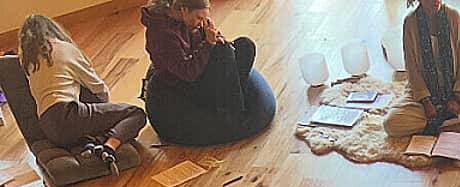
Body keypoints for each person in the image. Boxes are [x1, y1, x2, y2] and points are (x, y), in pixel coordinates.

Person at [18, 14, 147, 174]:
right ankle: (109, 147)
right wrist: (107, 111)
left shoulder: (28, 61)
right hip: (68, 114)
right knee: (136, 113)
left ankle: (94, 142)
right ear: (52, 30)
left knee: (86, 117)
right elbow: (97, 87)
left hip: (49, 128)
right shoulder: (64, 48)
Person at [141, 0, 271, 144]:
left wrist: (217, 38)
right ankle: (232, 115)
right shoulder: (162, 35)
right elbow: (188, 73)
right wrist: (208, 44)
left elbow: (216, 38)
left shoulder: (191, 20)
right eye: (199, 18)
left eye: (204, 18)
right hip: (183, 85)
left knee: (245, 45)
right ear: (184, 10)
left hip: (199, 66)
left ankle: (235, 93)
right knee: (225, 53)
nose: (201, 22)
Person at [382, 0, 460, 139]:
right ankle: (457, 120)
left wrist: (457, 99)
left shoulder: (453, 16)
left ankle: (437, 122)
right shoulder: (410, 22)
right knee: (391, 124)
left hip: (459, 89)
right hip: (424, 94)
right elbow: (412, 70)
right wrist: (426, 103)